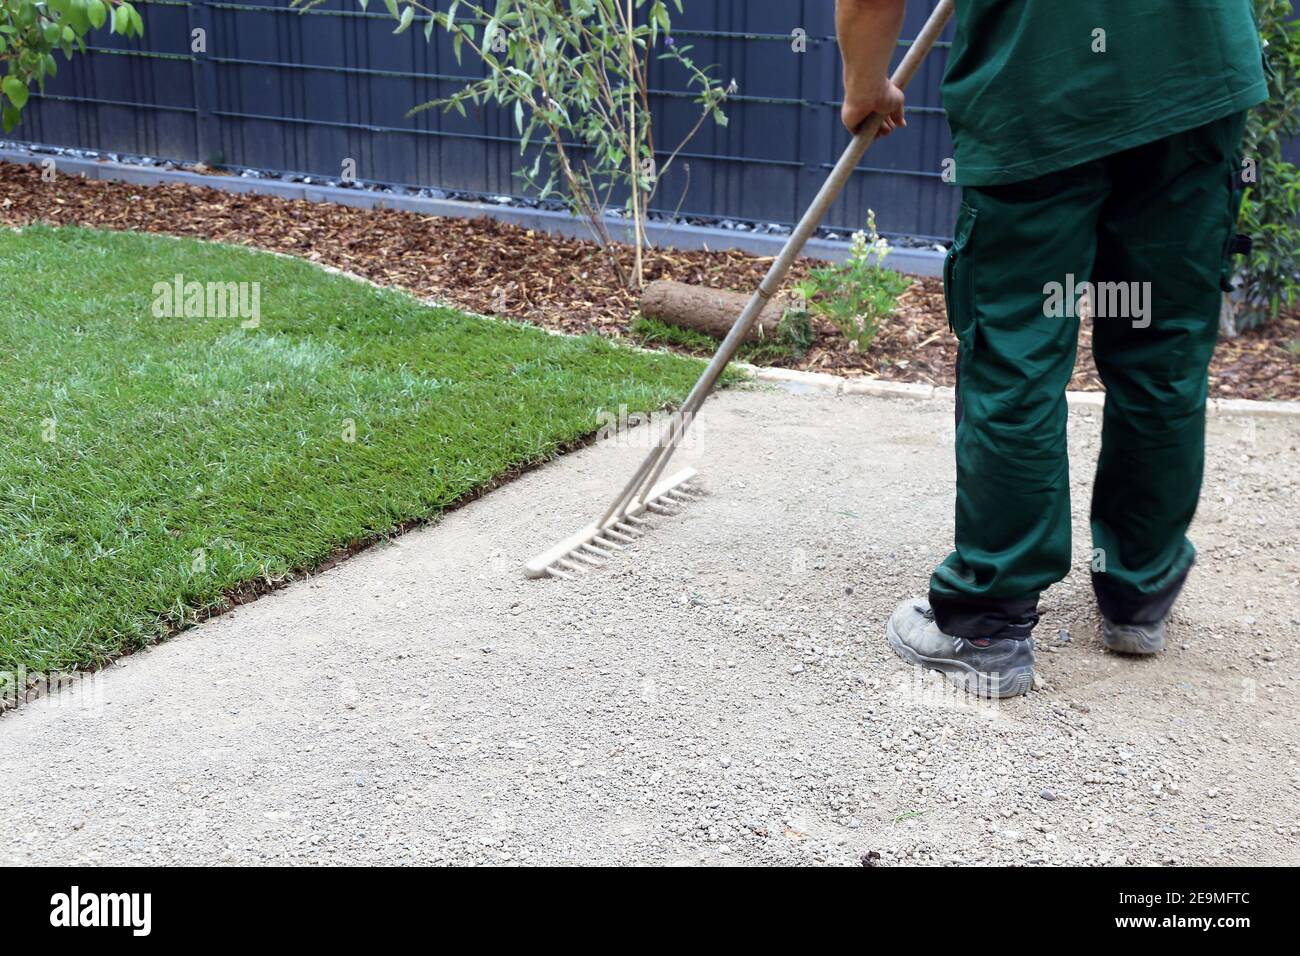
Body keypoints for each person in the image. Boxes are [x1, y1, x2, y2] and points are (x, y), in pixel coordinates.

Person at [836, 0, 1269, 697]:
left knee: (1017, 348)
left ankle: (987, 620)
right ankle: (1138, 591)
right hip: (1192, 74)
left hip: (1039, 89)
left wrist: (865, 84)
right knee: (1163, 345)